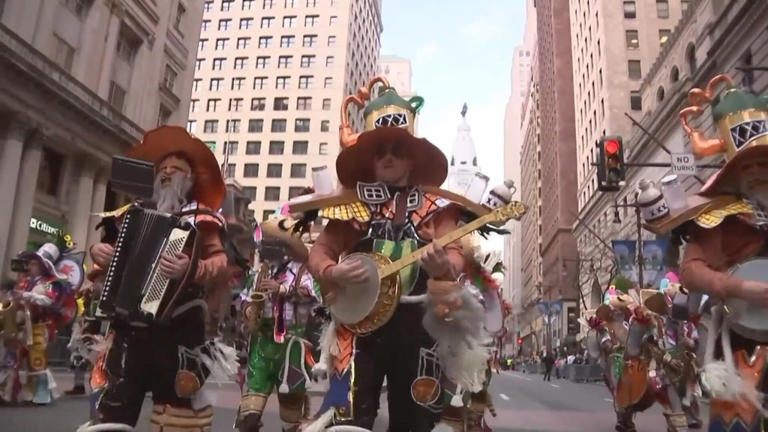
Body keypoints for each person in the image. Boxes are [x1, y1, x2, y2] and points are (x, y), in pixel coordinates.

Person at [294, 78, 505, 431]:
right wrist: (333, 272)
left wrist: (443, 268)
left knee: (415, 420)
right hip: (359, 329)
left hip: (418, 328)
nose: (388, 155)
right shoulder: (353, 207)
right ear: (371, 161)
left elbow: (454, 254)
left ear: (410, 159)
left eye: (396, 149)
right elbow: (321, 251)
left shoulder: (437, 207)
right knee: (347, 418)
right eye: (380, 151)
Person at [638, 74, 768, 432]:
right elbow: (691, 271)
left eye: (763, 164)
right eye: (748, 167)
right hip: (743, 343)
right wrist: (739, 288)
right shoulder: (720, 215)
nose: (757, 174)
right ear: (735, 174)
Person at [79, 126, 229, 431]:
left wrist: (191, 268)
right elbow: (105, 265)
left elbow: (220, 264)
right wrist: (97, 254)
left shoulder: (202, 220)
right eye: (163, 169)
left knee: (176, 416)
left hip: (178, 334)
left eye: (176, 170)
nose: (167, 174)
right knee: (113, 414)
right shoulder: (132, 214)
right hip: (128, 332)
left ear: (189, 180)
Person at [236, 197, 321, 432]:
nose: (273, 246)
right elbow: (244, 298)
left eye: (278, 241)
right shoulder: (261, 271)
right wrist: (248, 310)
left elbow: (315, 294)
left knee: (291, 422)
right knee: (247, 419)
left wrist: (282, 289)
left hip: (293, 349)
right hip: (262, 346)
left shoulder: (306, 269)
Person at [0, 243, 77, 405]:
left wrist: (27, 296)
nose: (31, 265)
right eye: (31, 262)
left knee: (37, 361)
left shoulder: (50, 282)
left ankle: (38, 395)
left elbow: (48, 300)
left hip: (40, 326)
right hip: (21, 326)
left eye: (35, 263)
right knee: (12, 359)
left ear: (43, 265)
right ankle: (7, 393)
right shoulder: (25, 280)